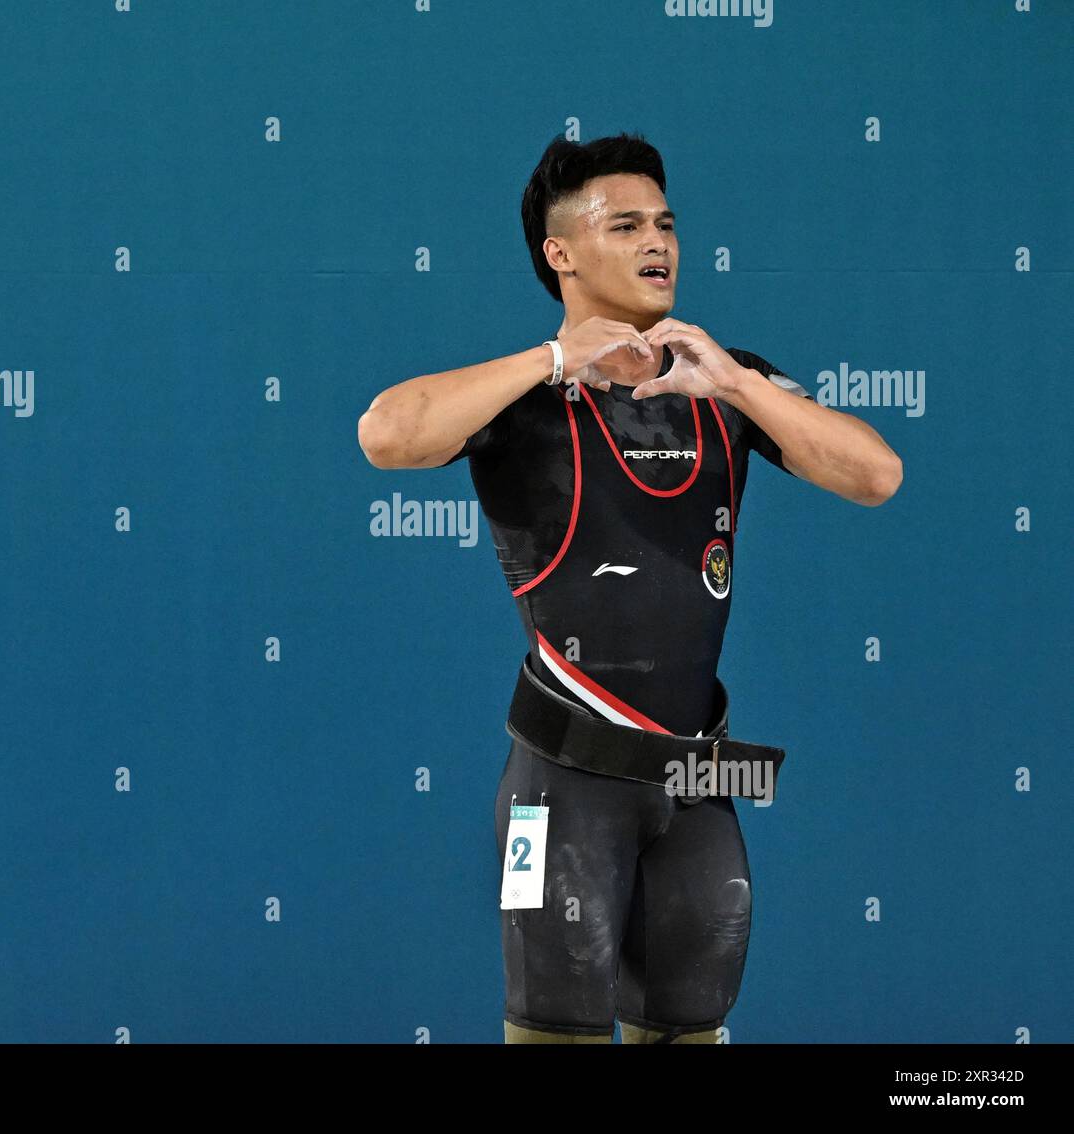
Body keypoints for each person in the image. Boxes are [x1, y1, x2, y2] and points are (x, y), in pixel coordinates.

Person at [357, 133, 902, 1044]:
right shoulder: (522, 398)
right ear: (560, 253)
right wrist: (552, 362)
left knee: (696, 1027)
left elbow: (876, 474)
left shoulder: (728, 386)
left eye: (666, 223)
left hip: (697, 781)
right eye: (627, 225)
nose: (659, 242)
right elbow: (386, 434)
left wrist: (735, 382)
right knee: (558, 1031)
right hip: (560, 793)